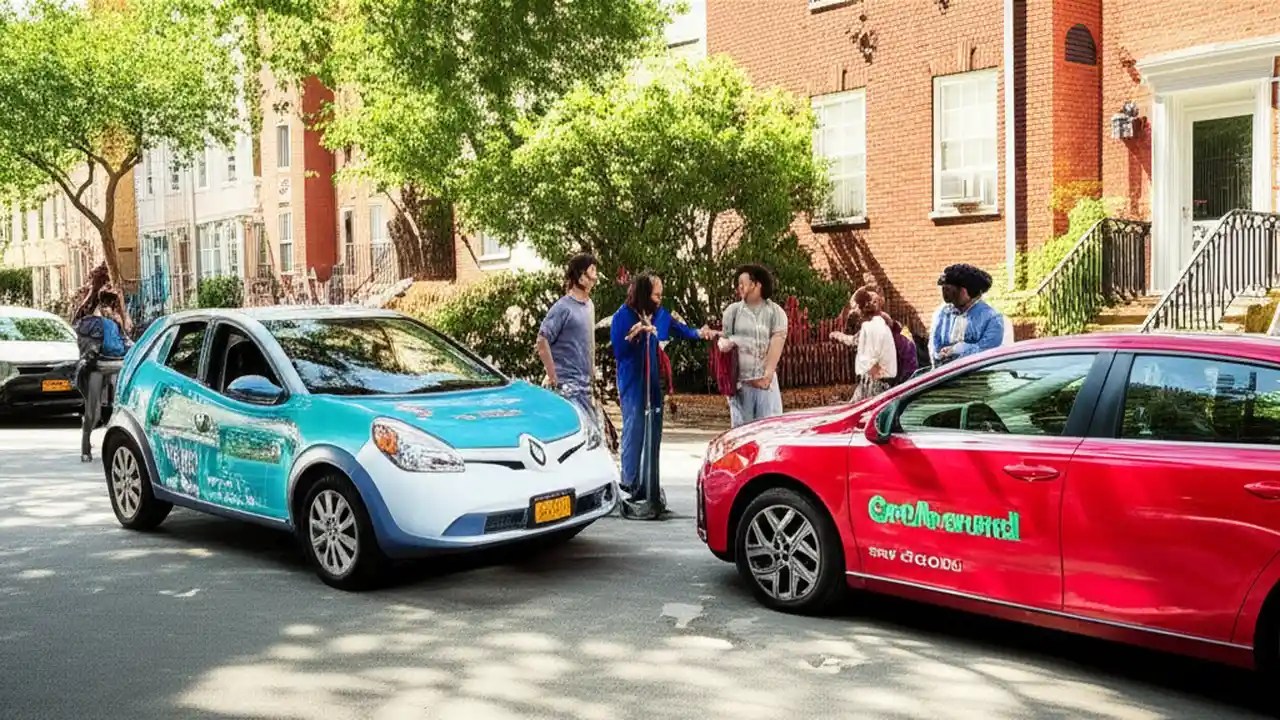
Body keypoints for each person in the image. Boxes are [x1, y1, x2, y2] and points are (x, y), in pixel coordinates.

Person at [610, 272, 716, 519]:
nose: (660, 297)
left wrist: (700, 333)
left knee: (654, 430)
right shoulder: (623, 316)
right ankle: (630, 485)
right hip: (634, 381)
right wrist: (634, 336)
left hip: (653, 381)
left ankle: (650, 485)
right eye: (656, 293)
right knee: (635, 429)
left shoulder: (660, 314)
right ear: (644, 294)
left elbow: (681, 330)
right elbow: (619, 350)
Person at [718, 264, 788, 427]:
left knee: (768, 431)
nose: (739, 287)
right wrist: (723, 343)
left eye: (743, 282)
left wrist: (767, 376)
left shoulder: (776, 313)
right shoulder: (732, 312)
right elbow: (724, 338)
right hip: (741, 385)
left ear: (757, 284)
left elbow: (777, 343)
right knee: (742, 434)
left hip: (765, 387)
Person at [536, 253, 599, 422]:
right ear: (581, 276)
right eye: (592, 271)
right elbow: (542, 341)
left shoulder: (589, 306)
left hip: (585, 388)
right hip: (566, 389)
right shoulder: (563, 307)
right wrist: (553, 376)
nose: (595, 278)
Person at [76, 287, 132, 462]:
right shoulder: (109, 319)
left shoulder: (96, 318)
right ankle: (104, 447)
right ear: (113, 303)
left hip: (101, 365)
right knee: (114, 409)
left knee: (94, 410)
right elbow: (126, 337)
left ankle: (86, 449)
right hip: (112, 365)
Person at [928, 263, 1005, 368]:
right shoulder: (943, 314)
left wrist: (958, 350)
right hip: (944, 378)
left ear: (964, 292)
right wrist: (939, 355)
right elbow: (934, 347)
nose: (945, 293)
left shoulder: (992, 318)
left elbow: (988, 354)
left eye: (949, 289)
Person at [831, 287, 897, 401]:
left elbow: (854, 341)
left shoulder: (873, 325)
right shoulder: (881, 320)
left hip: (878, 382)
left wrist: (837, 335)